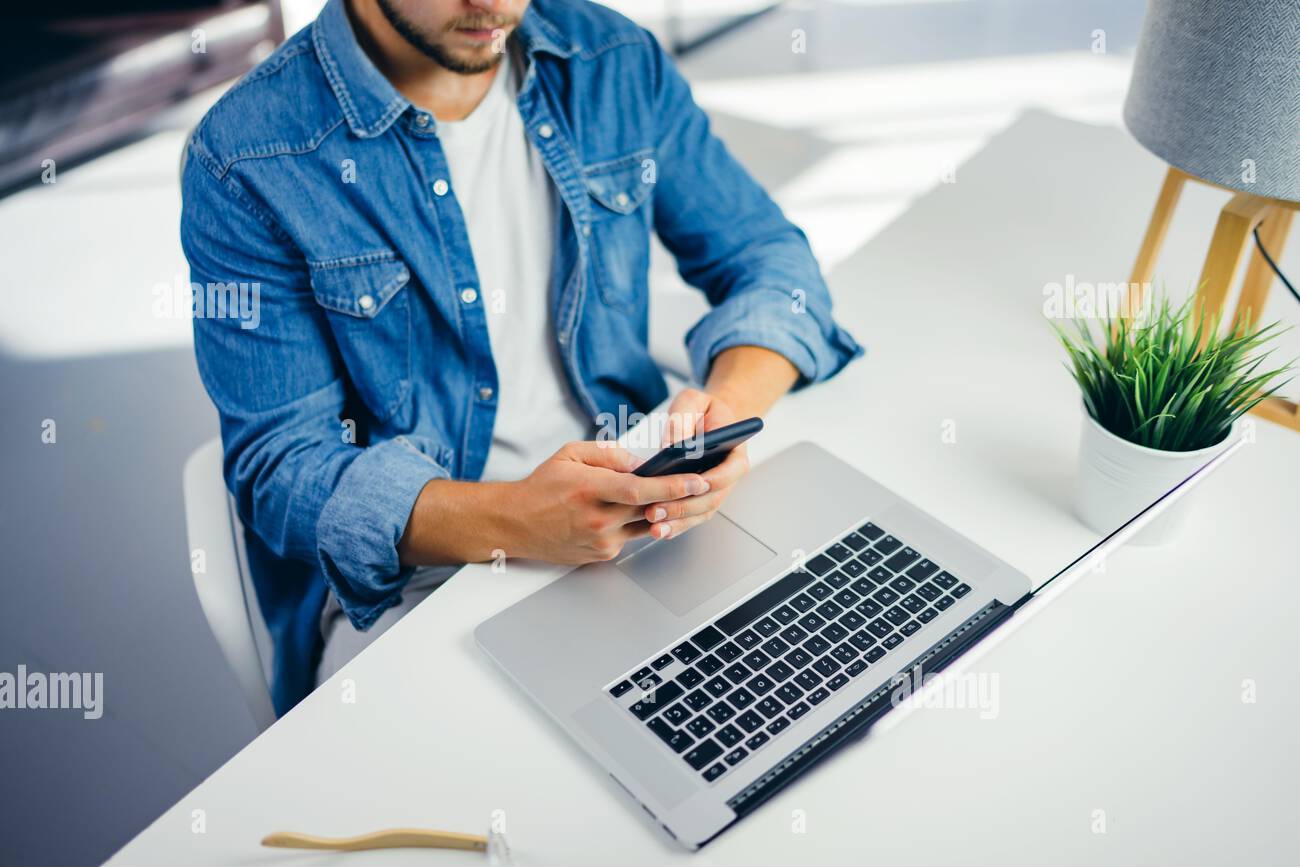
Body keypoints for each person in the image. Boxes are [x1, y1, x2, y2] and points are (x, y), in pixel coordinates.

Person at [181, 0, 862, 714]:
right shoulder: (245, 158)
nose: (501, 7)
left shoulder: (610, 59)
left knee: (791, 708)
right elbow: (282, 469)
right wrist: (518, 520)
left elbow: (767, 259)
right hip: (422, 582)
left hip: (649, 509)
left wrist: (727, 410)